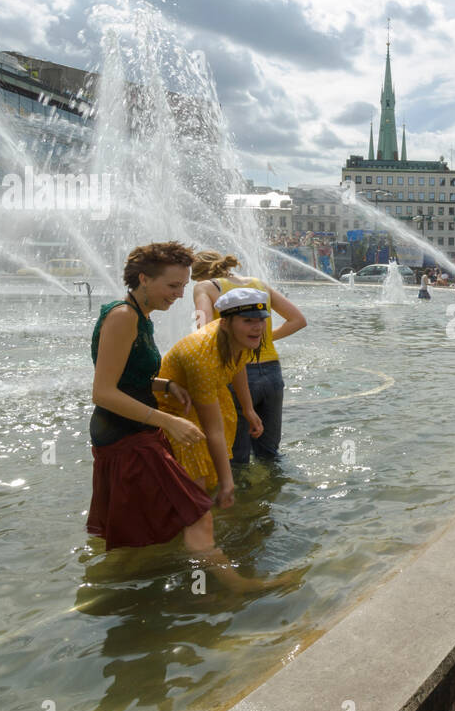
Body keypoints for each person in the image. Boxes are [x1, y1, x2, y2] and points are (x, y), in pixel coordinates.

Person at [87, 244, 286, 592]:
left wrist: (163, 384)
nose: (180, 295)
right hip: (126, 434)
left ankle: (132, 589)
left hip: (132, 429)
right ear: (144, 279)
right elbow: (102, 392)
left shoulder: (138, 316)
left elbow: (125, 377)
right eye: (172, 286)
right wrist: (169, 421)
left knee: (150, 519)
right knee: (197, 514)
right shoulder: (123, 316)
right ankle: (234, 587)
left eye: (183, 286)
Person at [192, 252, 307, 467]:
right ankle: (274, 496)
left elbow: (203, 330)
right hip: (272, 374)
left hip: (236, 376)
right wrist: (260, 339)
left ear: (199, 275)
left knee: (236, 457)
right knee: (269, 454)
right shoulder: (258, 284)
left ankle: (240, 499)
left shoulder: (204, 287)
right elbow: (298, 320)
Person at [158, 287, 268, 508]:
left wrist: (248, 408)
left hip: (210, 397)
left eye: (260, 319)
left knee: (210, 477)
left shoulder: (239, 338)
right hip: (177, 410)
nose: (257, 326)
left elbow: (237, 366)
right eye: (247, 320)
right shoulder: (202, 358)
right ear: (225, 322)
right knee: (195, 486)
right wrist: (229, 484)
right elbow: (213, 430)